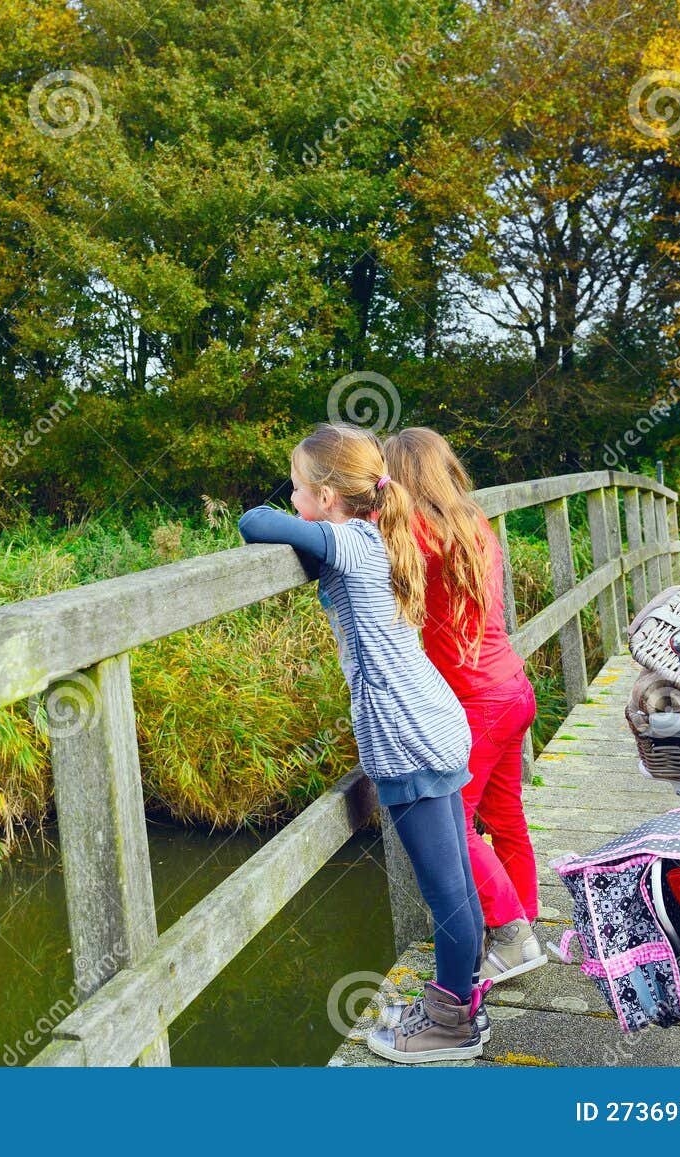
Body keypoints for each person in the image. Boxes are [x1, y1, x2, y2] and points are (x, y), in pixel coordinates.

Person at [238, 423, 488, 1063]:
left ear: (325, 495)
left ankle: (450, 1028)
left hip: (405, 734)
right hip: (434, 718)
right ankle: (459, 1006)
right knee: (456, 884)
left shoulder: (347, 539)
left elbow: (256, 525)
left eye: (296, 487)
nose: (290, 498)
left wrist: (276, 509)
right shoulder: (382, 531)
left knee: (448, 897)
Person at [382, 427, 545, 986]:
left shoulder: (414, 532)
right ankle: (525, 922)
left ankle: (511, 933)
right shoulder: (473, 522)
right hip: (512, 688)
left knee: (457, 829)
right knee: (505, 817)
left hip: (475, 700)